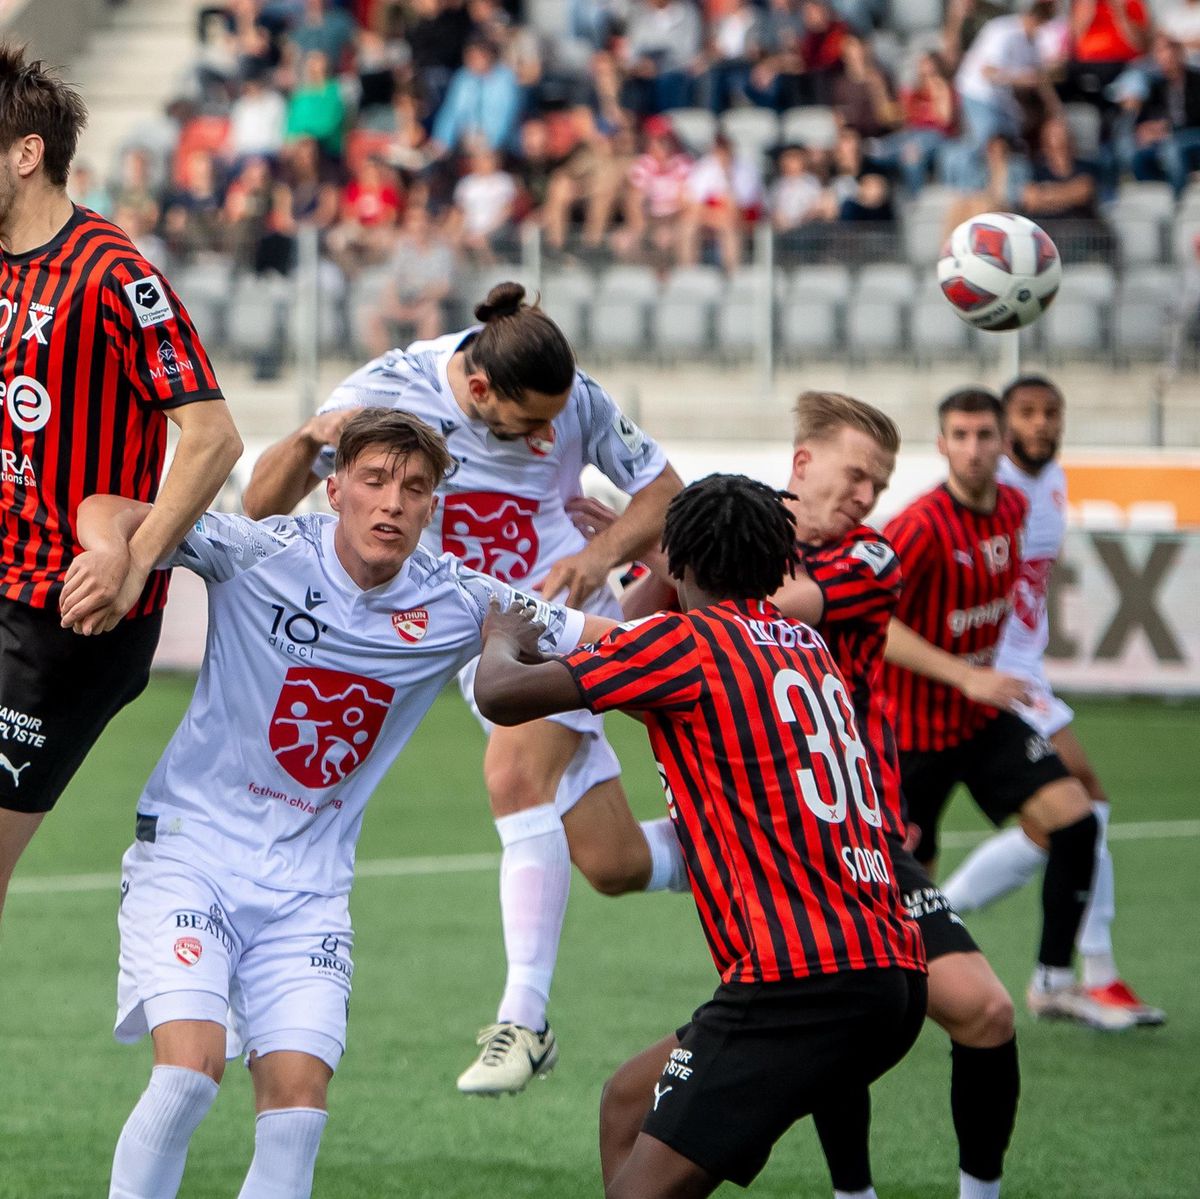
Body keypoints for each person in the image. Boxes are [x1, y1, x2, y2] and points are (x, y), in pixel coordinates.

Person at [64, 409, 605, 1199]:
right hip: (192, 852)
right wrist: (117, 555)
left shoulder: (461, 599)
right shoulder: (262, 550)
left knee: (297, 1116)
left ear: (432, 507)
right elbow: (102, 508)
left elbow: (605, 637)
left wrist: (672, 581)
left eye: (414, 488)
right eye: (376, 481)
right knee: (188, 1074)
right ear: (336, 486)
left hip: (309, 891)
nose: (392, 503)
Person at [241, 284, 686, 1094]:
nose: (553, 435)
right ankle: (746, 838)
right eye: (531, 422)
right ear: (479, 390)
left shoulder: (575, 397)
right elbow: (259, 506)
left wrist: (596, 557)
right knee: (613, 861)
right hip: (469, 630)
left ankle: (525, 1019)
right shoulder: (387, 392)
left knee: (515, 777)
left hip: (561, 615)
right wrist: (309, 437)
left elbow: (666, 492)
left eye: (558, 418)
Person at [580, 392, 1022, 1199]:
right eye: (857, 475)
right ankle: (853, 1191)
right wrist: (655, 553)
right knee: (611, 865)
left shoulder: (867, 557)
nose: (866, 496)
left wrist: (642, 557)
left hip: (855, 836)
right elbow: (679, 621)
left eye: (880, 484)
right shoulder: (731, 539)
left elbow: (747, 616)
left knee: (977, 1010)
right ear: (802, 462)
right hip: (748, 820)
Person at [473, 473, 927, 1199]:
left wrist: (503, 628)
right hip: (893, 972)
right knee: (628, 1100)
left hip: (797, 980)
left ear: (676, 562)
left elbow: (500, 692)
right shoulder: (808, 647)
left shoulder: (683, 646)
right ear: (782, 562)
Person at [0, 45, 243, 926]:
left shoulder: (112, 274)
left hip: (66, 617)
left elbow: (213, 438)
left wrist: (136, 562)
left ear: (27, 153)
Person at [880, 387, 1125, 1030]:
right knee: (906, 886)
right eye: (959, 436)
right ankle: (890, 999)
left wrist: (992, 676)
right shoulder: (919, 526)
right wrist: (965, 674)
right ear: (940, 445)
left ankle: (1054, 981)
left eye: (984, 435)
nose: (973, 448)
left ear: (1002, 442)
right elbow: (876, 622)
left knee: (1076, 819)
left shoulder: (1015, 506)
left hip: (985, 719)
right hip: (912, 734)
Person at [939, 376, 1164, 1026]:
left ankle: (944, 917)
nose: (1040, 425)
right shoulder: (991, 486)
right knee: (1083, 801)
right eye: (1026, 414)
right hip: (995, 673)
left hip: (1025, 669)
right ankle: (1086, 974)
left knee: (1055, 824)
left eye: (1051, 413)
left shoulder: (1053, 480)